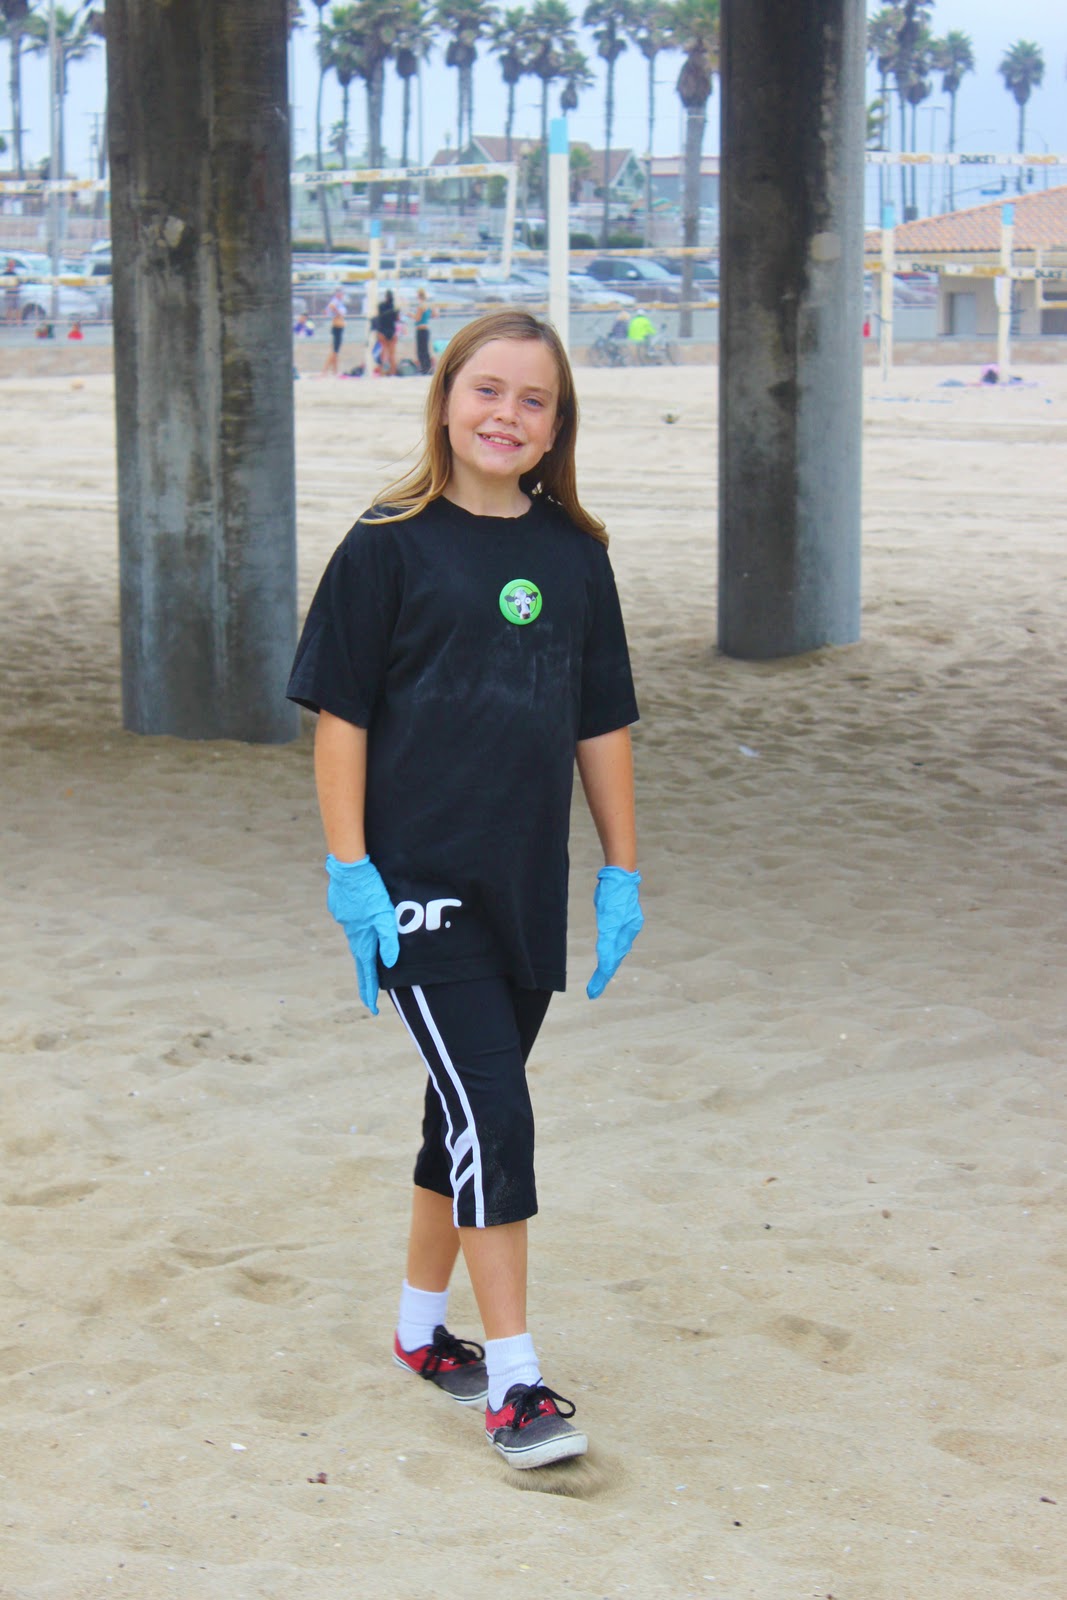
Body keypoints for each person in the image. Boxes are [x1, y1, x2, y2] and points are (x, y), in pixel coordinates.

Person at [287, 309, 643, 1472]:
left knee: (460, 1114)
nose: (506, 414)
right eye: (486, 389)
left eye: (532, 400)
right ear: (444, 398)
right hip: (417, 890)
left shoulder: (575, 554)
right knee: (495, 1110)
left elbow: (600, 722)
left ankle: (413, 1331)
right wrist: (351, 870)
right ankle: (517, 1382)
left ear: (555, 426)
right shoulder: (385, 544)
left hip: (522, 887)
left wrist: (621, 870)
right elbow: (341, 716)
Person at [322, 287, 346, 377]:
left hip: (339, 325)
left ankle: (335, 370)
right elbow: (329, 309)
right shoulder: (335, 302)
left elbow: (326, 311)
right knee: (335, 350)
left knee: (336, 350)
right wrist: (337, 312)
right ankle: (325, 370)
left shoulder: (338, 302)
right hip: (337, 325)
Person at [375, 289, 399, 376]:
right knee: (391, 353)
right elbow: (396, 319)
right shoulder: (394, 307)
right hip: (391, 330)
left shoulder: (381, 306)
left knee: (383, 352)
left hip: (383, 330)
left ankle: (382, 372)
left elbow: (379, 318)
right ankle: (393, 372)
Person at [413, 287, 434, 375]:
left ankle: (424, 369)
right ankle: (428, 368)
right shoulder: (428, 306)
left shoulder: (420, 306)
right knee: (426, 350)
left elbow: (417, 318)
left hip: (420, 329)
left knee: (420, 351)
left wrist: (410, 314)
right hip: (426, 329)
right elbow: (434, 315)